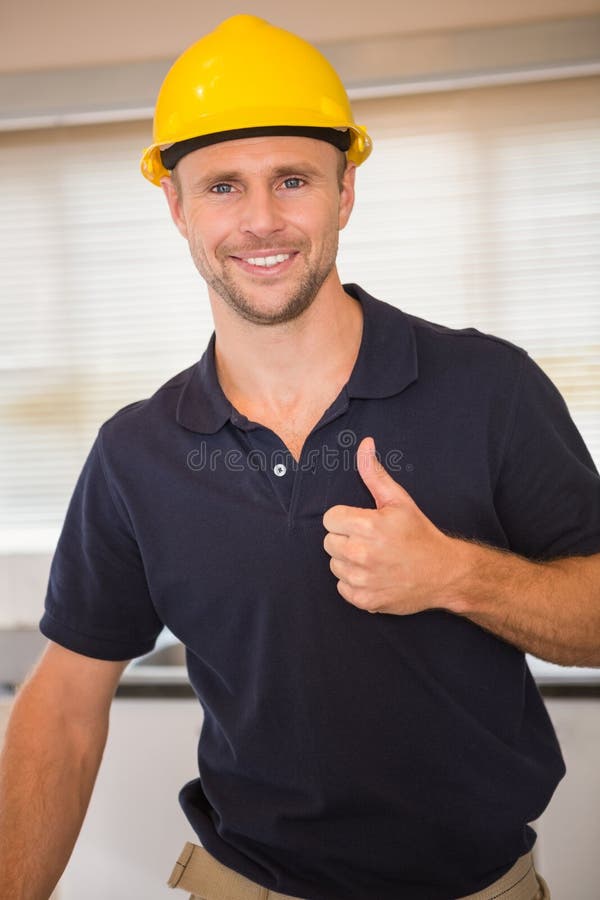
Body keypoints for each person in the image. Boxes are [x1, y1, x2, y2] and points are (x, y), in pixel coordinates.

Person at [1, 13, 599, 900]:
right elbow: (64, 704)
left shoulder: (489, 388)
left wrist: (456, 576)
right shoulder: (136, 453)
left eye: (292, 179)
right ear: (177, 208)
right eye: (222, 187)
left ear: (345, 191)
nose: (261, 220)